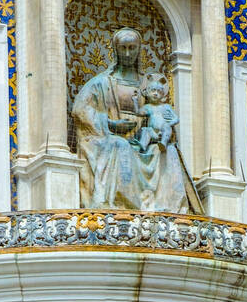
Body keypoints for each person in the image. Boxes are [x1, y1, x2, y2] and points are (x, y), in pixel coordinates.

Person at [71, 27, 191, 213]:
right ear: (115, 50)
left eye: (132, 48)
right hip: (109, 139)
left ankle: (168, 207)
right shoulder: (101, 82)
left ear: (139, 49)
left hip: (144, 139)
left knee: (170, 151)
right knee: (121, 145)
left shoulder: (148, 84)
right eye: (123, 48)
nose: (128, 53)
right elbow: (80, 110)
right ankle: (120, 205)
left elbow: (163, 116)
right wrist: (110, 124)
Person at [138, 72, 178, 152]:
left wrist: (168, 124)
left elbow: (176, 119)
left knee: (167, 128)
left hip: (163, 132)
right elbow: (139, 113)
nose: (156, 94)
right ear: (147, 93)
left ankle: (163, 143)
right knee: (146, 130)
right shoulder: (148, 107)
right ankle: (142, 147)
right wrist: (135, 102)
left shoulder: (166, 106)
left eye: (159, 92)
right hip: (153, 132)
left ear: (163, 95)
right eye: (153, 91)